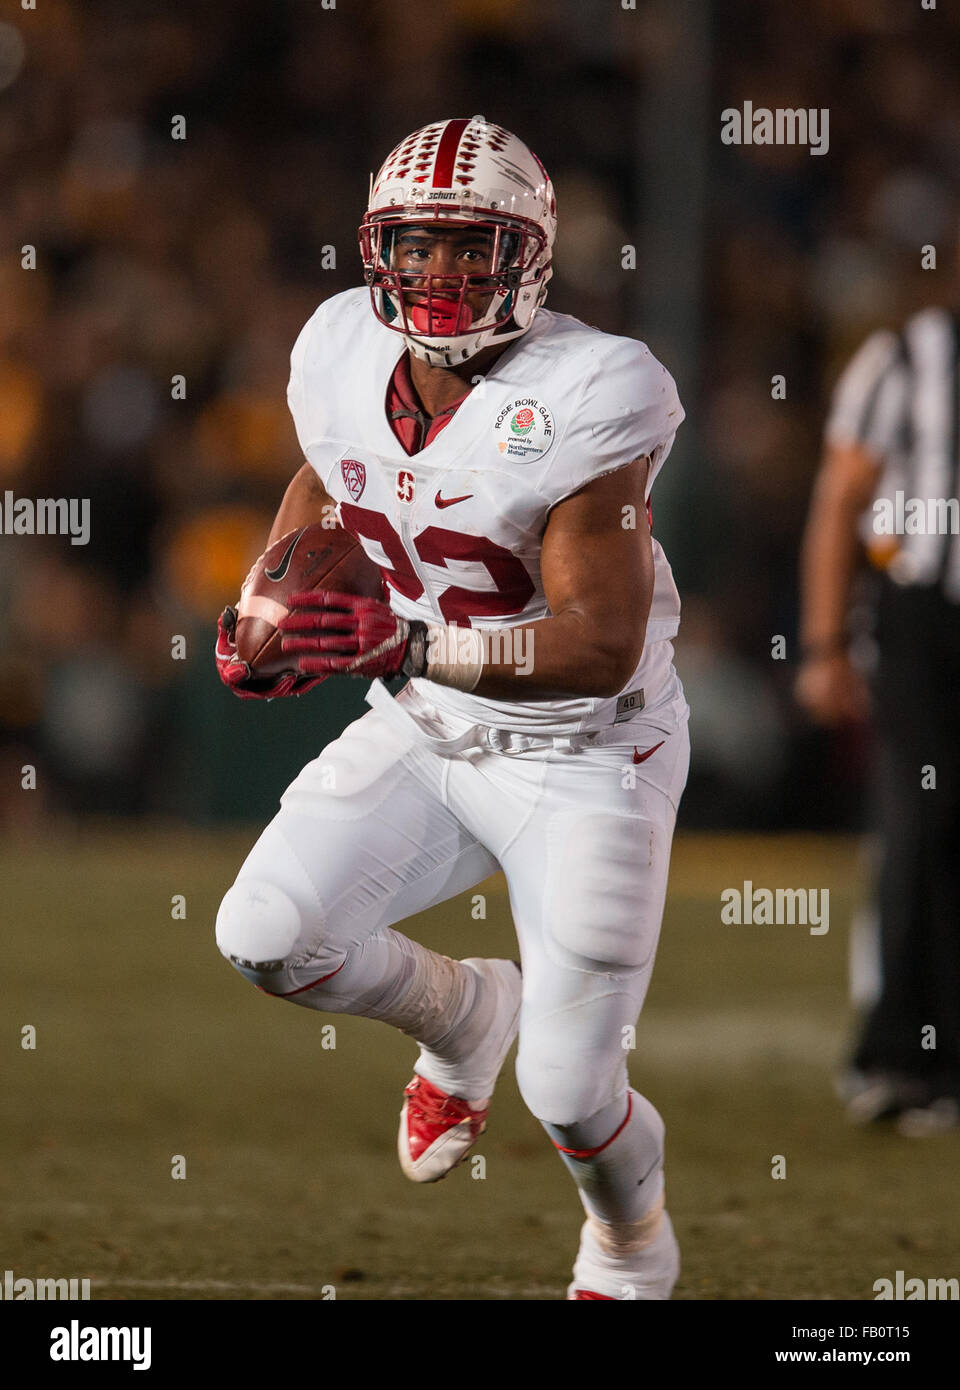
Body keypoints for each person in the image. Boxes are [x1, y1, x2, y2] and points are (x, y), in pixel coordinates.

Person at [214, 116, 691, 1296]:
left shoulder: (594, 388)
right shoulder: (334, 345)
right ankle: (466, 1011)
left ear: (527, 255)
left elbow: (598, 641)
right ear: (378, 250)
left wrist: (403, 636)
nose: (440, 276)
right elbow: (334, 464)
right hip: (427, 723)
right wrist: (273, 596)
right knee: (264, 935)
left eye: (470, 250)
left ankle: (631, 1248)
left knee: (574, 1093)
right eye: (417, 249)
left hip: (590, 752)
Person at [796, 305, 960, 1134]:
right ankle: (898, 1056)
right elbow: (840, 500)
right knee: (923, 823)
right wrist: (824, 644)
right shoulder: (905, 354)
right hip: (924, 622)